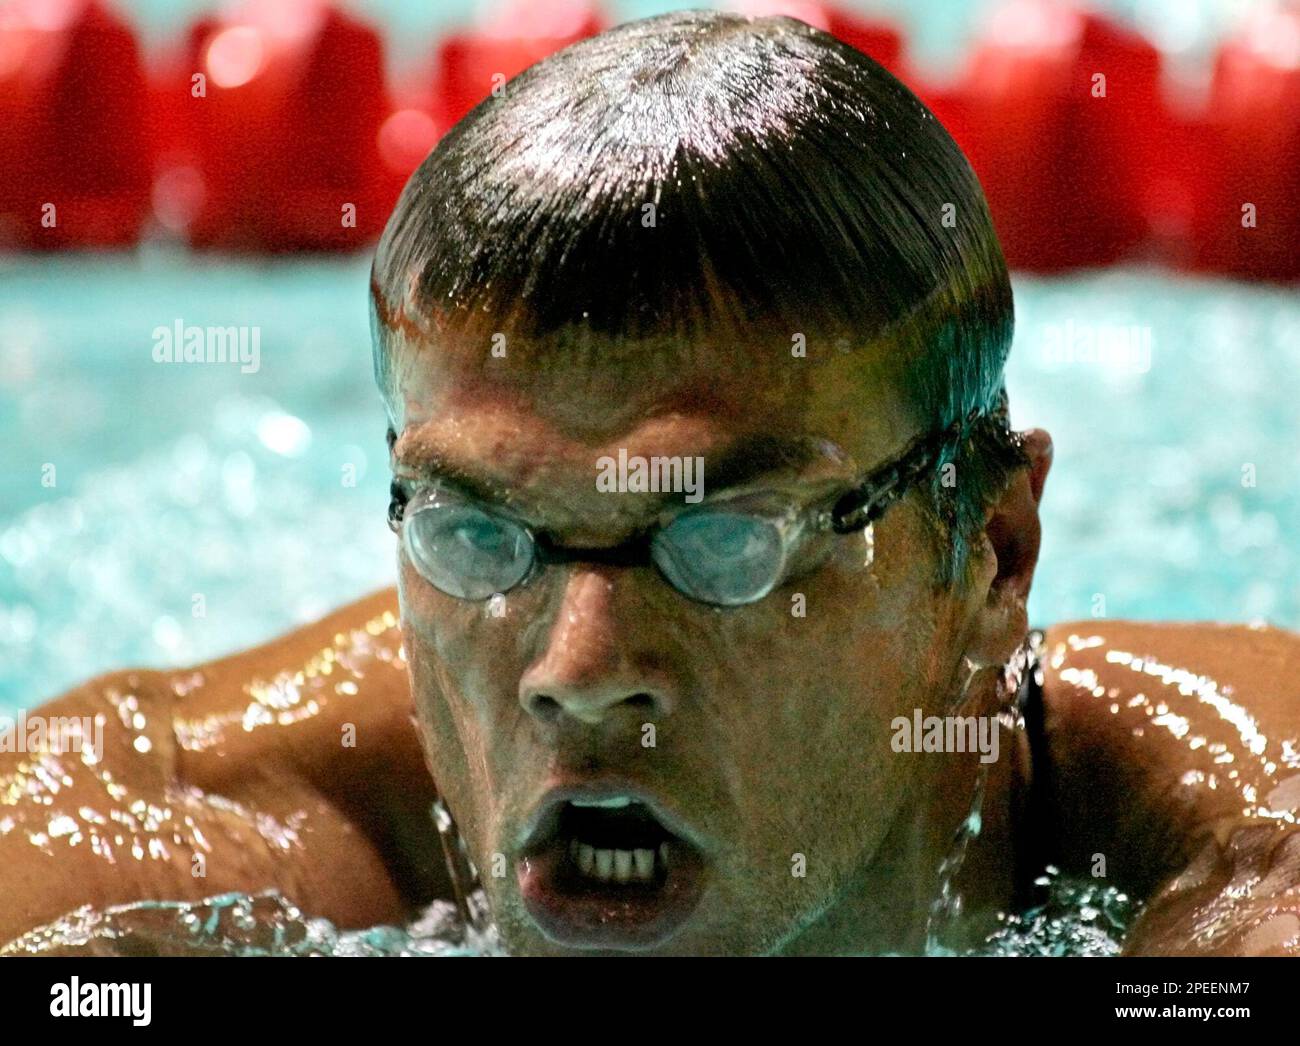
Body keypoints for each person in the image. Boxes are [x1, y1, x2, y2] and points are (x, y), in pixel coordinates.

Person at [3, 11, 1298, 957]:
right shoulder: (175, 835)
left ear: (994, 554)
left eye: (724, 542)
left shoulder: (1245, 833)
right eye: (476, 532)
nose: (577, 666)